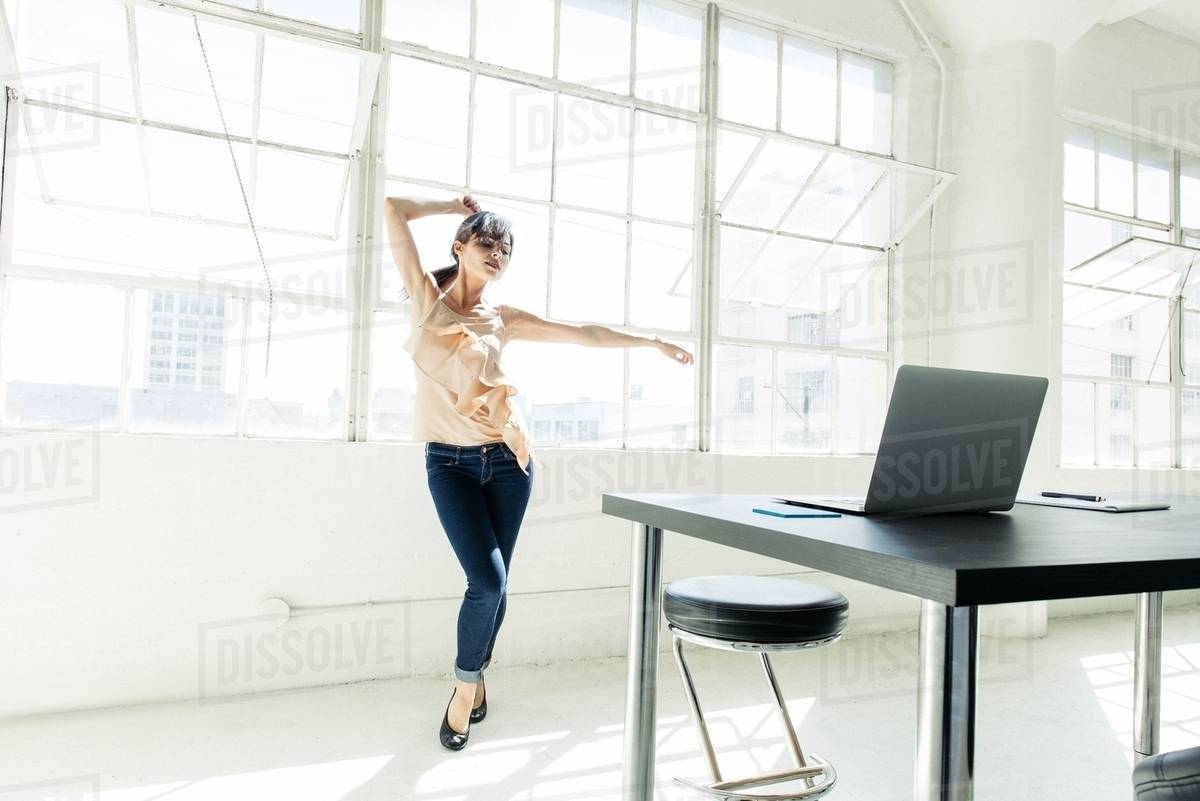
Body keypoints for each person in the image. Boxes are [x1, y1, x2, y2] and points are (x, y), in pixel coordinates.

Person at [384, 192, 694, 751]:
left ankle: (468, 682)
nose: (497, 253)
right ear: (459, 247)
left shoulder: (503, 319)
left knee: (497, 586)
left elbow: (586, 334)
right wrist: (453, 204)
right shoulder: (425, 297)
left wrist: (651, 343)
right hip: (448, 464)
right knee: (487, 583)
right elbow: (392, 207)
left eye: (506, 248)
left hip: (509, 463)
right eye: (487, 242)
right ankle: (469, 685)